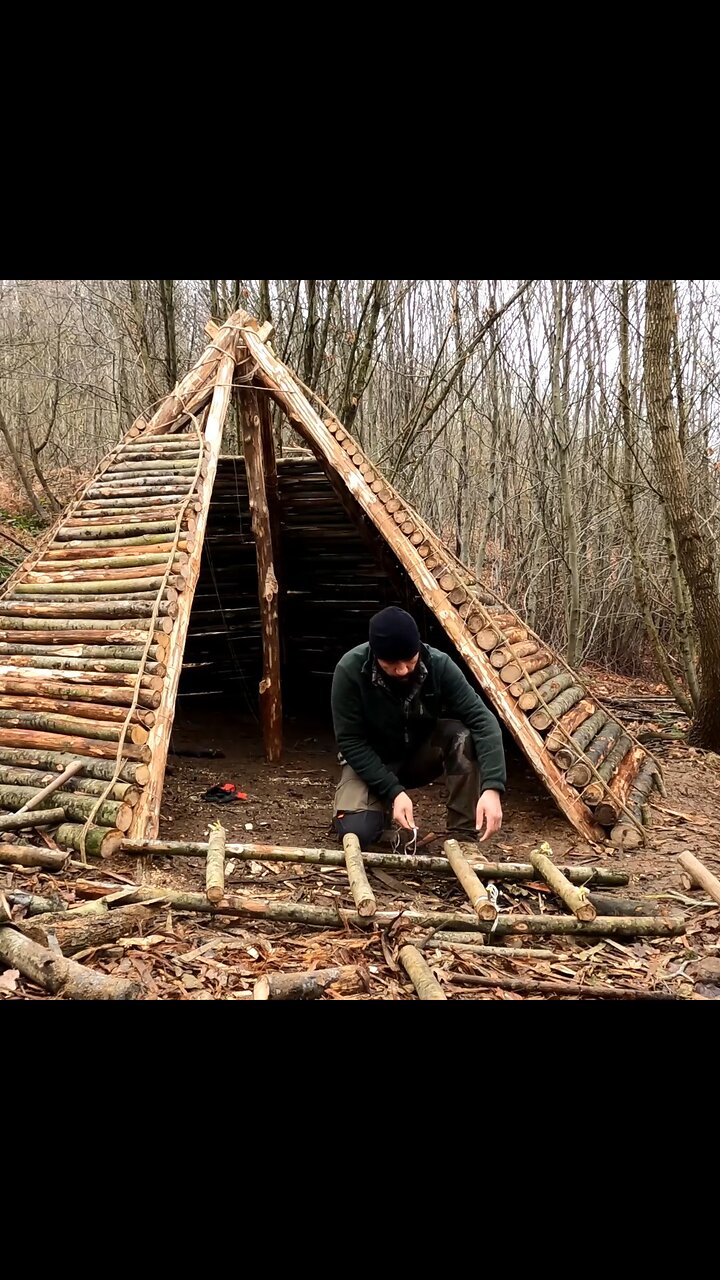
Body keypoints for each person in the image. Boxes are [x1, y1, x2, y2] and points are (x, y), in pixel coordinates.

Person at [330, 605, 505, 848]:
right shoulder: (349, 670)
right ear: (375, 655)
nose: (402, 670)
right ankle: (377, 821)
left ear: (419, 649)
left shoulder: (440, 665)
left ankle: (463, 836)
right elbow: (350, 742)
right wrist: (394, 791)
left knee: (462, 735)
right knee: (358, 833)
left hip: (418, 756)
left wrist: (493, 787)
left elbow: (483, 720)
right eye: (390, 663)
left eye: (410, 661)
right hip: (370, 761)